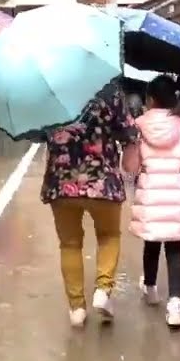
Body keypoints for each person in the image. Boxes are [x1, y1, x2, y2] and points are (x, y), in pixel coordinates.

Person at [42, 80, 137, 327]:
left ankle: (76, 309)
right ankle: (102, 291)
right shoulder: (109, 89)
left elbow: (41, 132)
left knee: (69, 244)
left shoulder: (51, 88)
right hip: (102, 181)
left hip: (62, 181)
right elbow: (128, 134)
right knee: (108, 236)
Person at [123, 76, 180, 327]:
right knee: (174, 249)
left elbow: (130, 165)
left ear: (149, 99)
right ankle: (175, 305)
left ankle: (150, 289)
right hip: (176, 192)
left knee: (151, 242)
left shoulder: (138, 126)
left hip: (150, 192)